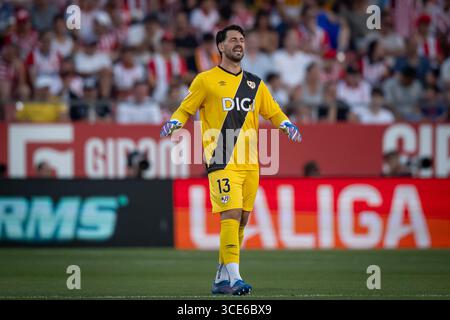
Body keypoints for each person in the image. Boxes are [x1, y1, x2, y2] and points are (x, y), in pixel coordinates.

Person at [160, 25, 302, 296]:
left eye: (242, 39)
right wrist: (174, 122)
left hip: (251, 162)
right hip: (222, 156)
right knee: (231, 214)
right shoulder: (205, 80)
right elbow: (185, 108)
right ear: (221, 47)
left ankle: (220, 278)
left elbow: (273, 112)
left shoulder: (254, 83)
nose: (239, 43)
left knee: (242, 220)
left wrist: (287, 125)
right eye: (233, 40)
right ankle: (236, 278)